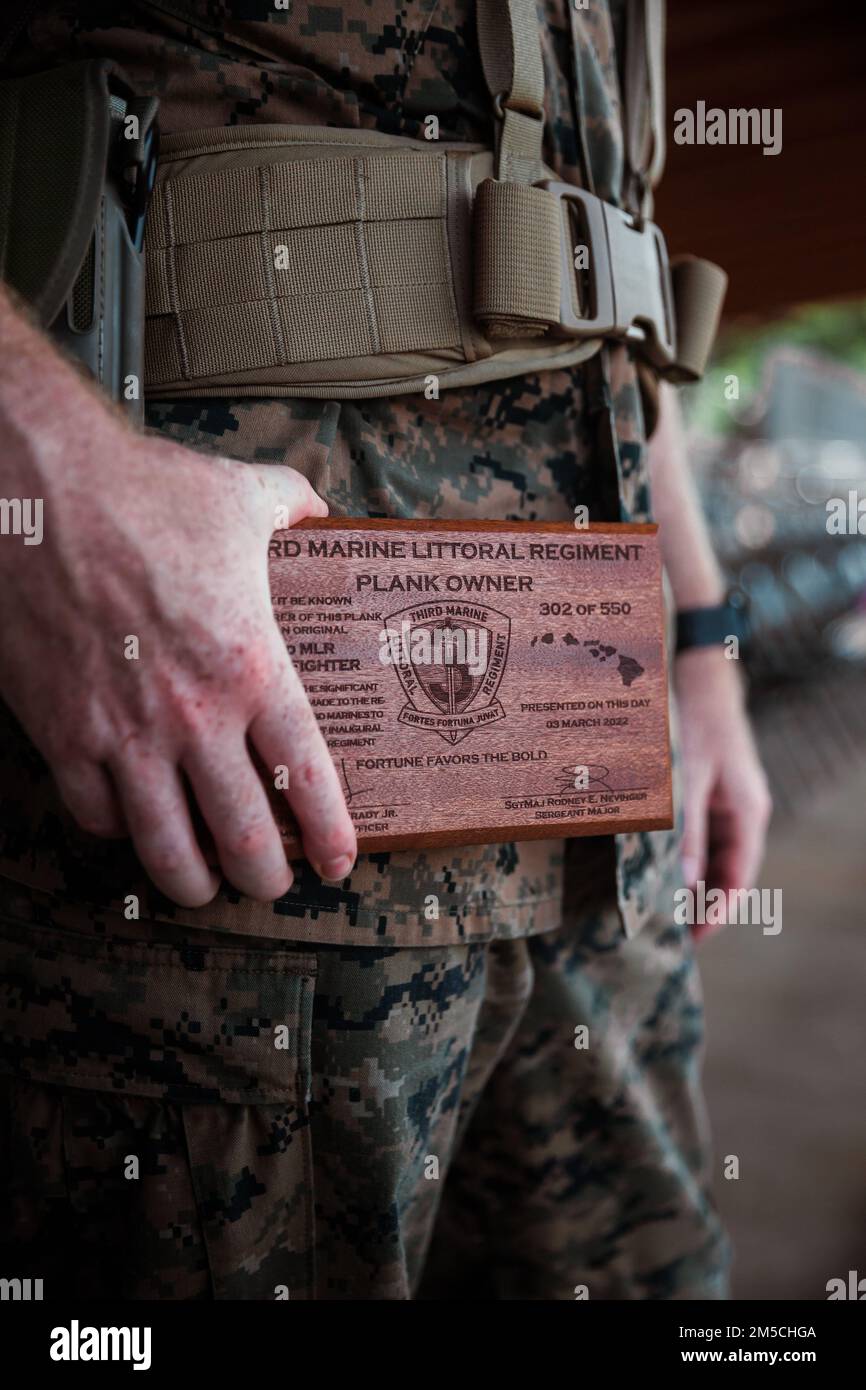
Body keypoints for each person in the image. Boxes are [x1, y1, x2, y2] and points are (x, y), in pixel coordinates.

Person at [0, 0, 770, 1299]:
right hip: (226, 785)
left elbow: (614, 260)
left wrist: (699, 641)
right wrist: (43, 486)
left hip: (605, 803)